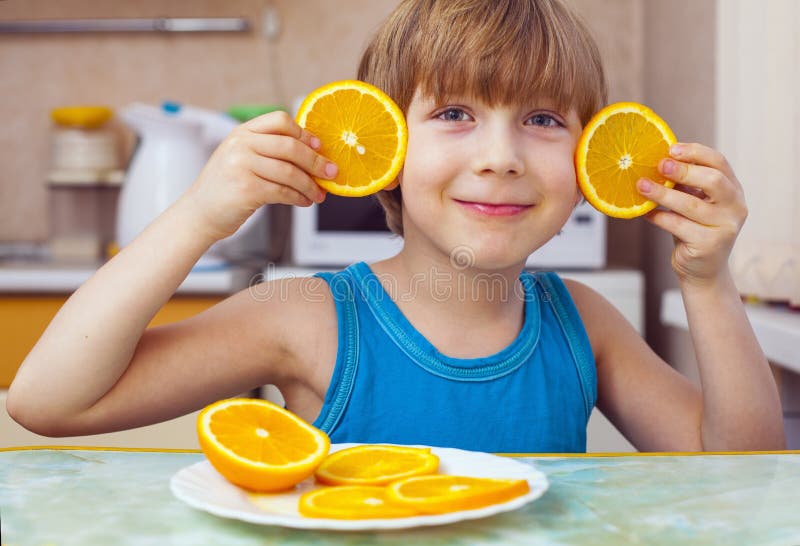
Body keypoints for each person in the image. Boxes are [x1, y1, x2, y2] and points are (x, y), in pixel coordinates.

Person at [8, 0, 785, 452]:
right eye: (454, 113)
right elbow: (49, 402)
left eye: (543, 118)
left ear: (589, 157)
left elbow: (738, 466)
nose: (500, 156)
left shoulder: (583, 323)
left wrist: (708, 280)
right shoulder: (303, 319)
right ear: (382, 148)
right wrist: (201, 216)